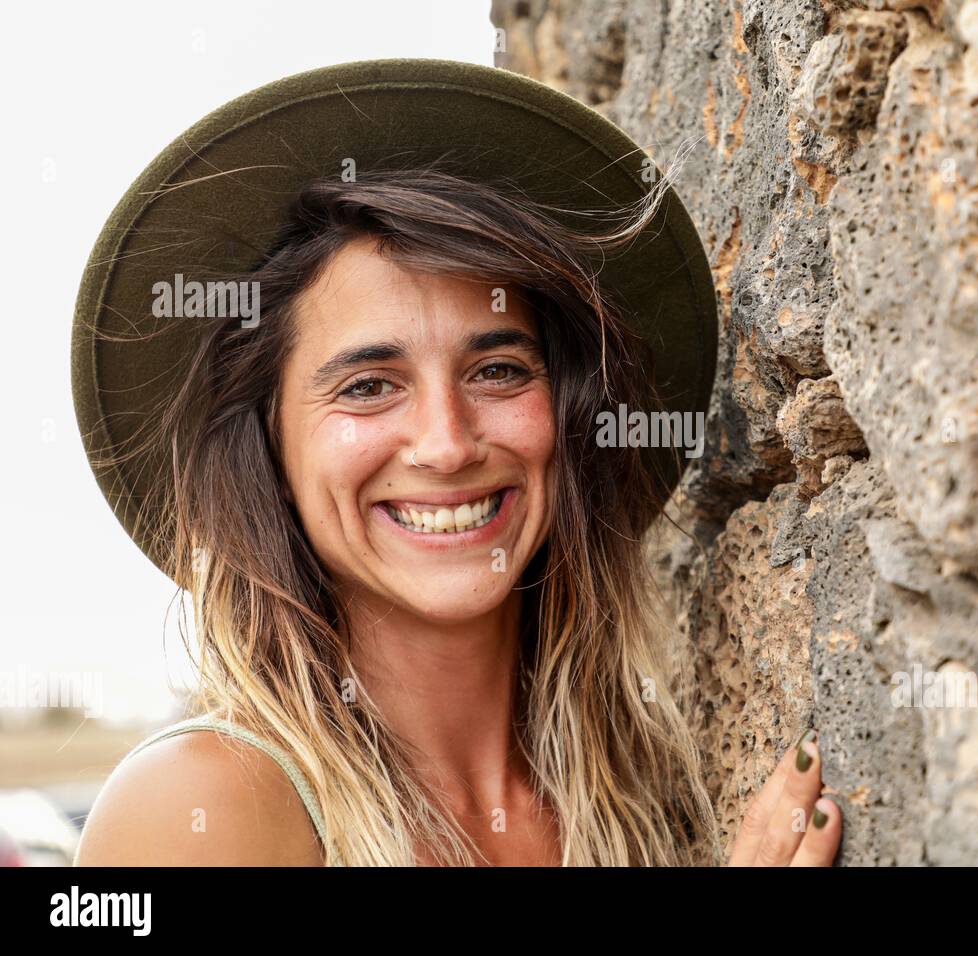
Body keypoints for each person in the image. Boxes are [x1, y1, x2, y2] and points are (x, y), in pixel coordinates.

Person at [70, 59, 841, 866]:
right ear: (268, 446)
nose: (446, 442)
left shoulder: (651, 799)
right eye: (369, 386)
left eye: (498, 370)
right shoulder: (198, 805)